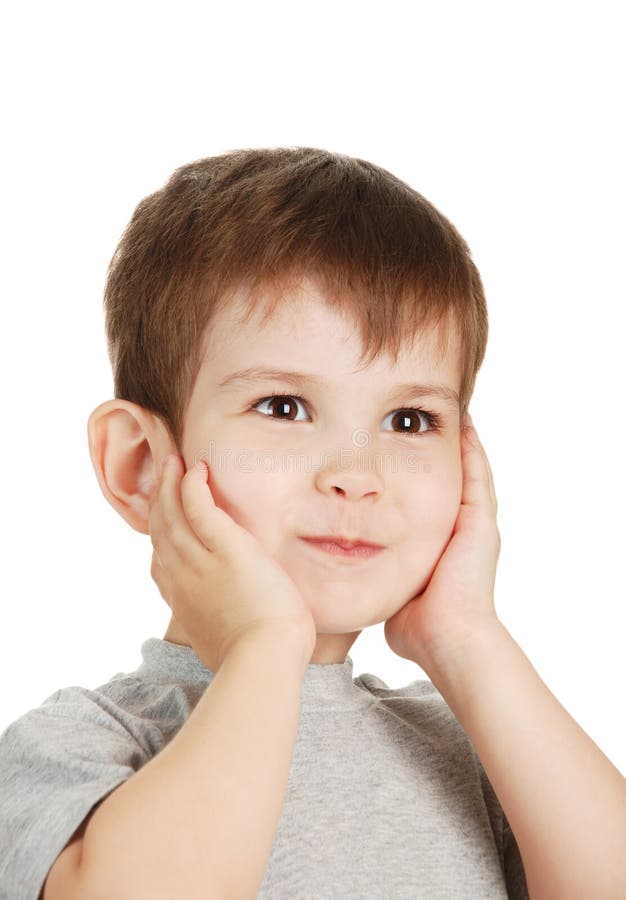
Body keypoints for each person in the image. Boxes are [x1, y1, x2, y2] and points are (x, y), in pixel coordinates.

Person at [1, 148, 624, 900]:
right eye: (284, 407)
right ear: (138, 465)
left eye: (409, 418)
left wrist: (465, 638)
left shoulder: (474, 746)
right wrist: (263, 647)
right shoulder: (80, 745)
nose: (357, 476)